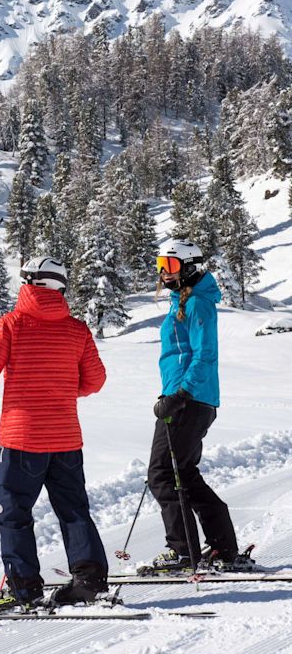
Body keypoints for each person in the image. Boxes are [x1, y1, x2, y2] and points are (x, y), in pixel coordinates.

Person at [0, 256, 108, 610]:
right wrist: (60, 389)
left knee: (14, 512)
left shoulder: (12, 325)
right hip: (65, 439)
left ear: (30, 284)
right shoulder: (77, 330)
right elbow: (95, 380)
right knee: (74, 509)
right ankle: (90, 580)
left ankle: (23, 589)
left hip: (22, 440)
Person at [148, 239, 248, 571]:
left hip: (189, 401)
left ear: (189, 267)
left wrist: (180, 395)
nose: (164, 272)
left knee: (162, 473)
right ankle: (222, 546)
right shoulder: (184, 301)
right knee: (184, 473)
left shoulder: (197, 305)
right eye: (162, 264)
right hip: (187, 399)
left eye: (171, 265)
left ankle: (183, 551)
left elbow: (205, 355)